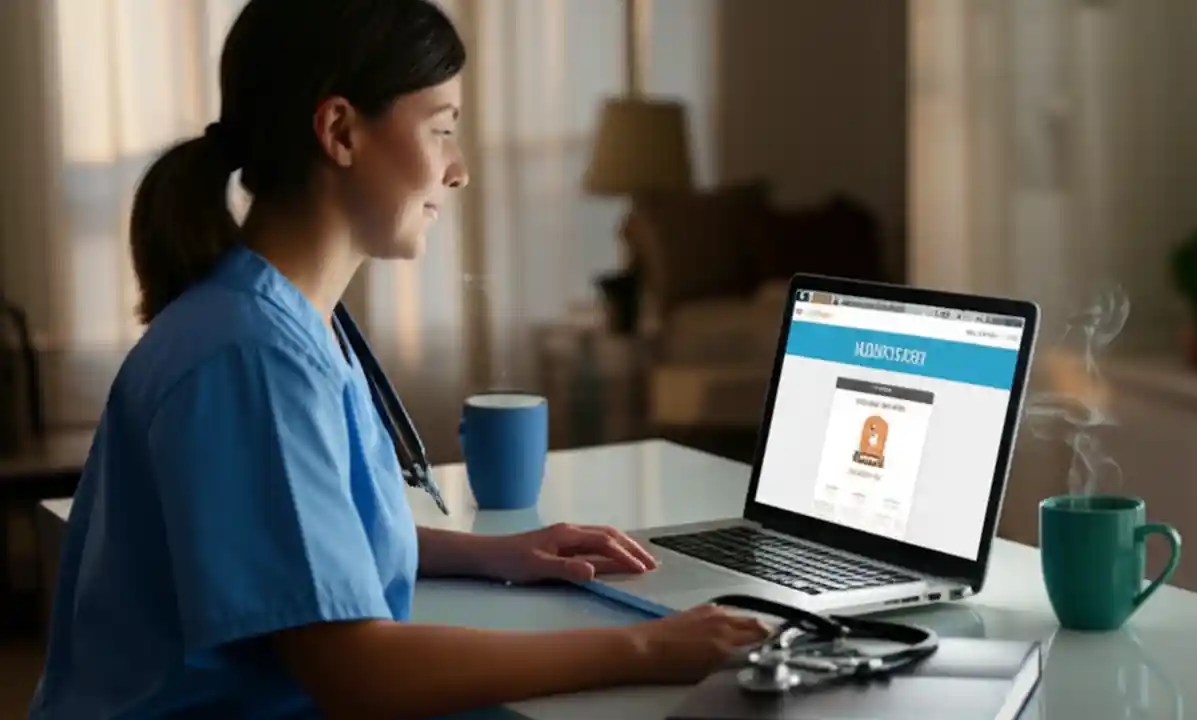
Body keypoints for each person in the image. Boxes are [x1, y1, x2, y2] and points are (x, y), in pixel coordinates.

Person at [29, 1, 767, 717]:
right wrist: (647, 648)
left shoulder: (279, 322)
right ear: (341, 132)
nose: (459, 169)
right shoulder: (252, 356)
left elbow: (300, 541)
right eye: (442, 128)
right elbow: (360, 675)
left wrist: (497, 554)